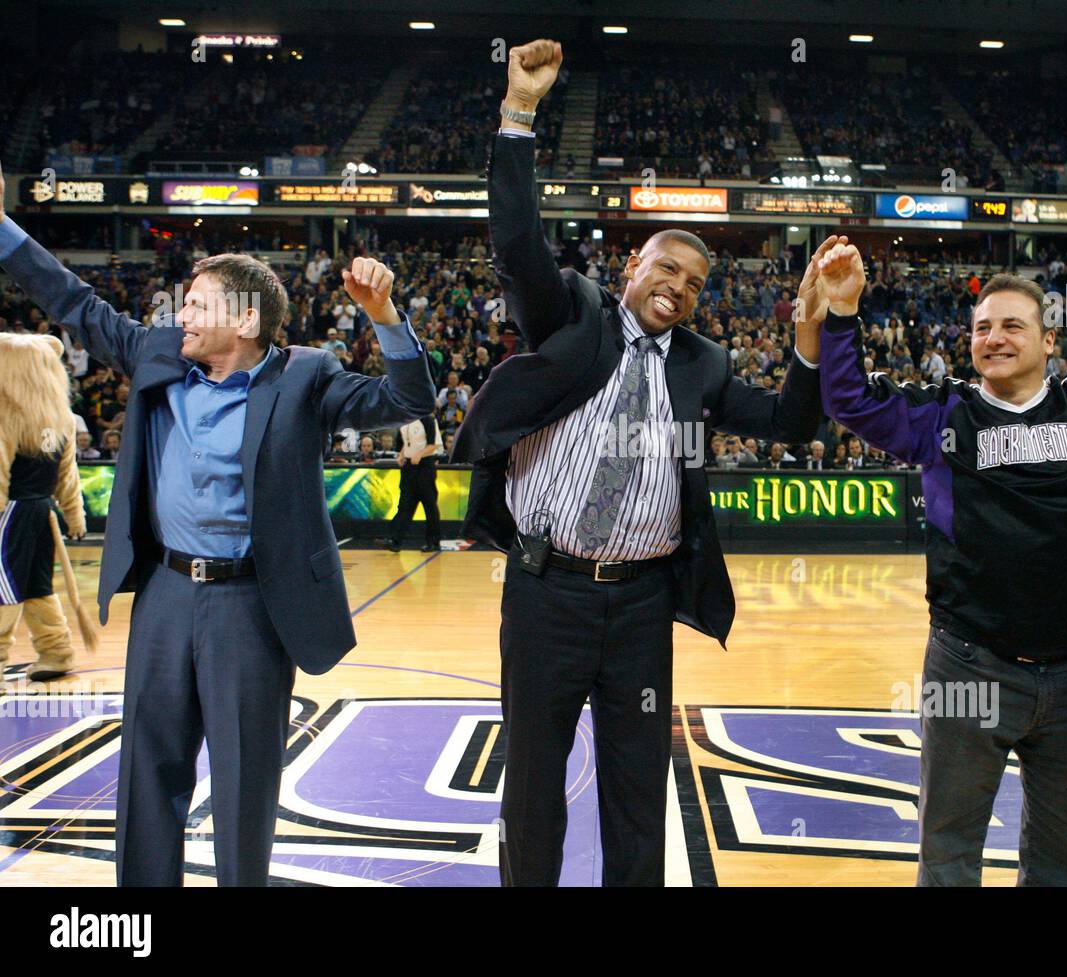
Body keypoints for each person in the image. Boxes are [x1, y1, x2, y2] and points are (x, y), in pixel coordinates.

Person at [451, 39, 823, 887]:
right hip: (547, 593)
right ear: (630, 265)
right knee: (535, 793)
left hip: (643, 604)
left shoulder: (703, 365)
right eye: (667, 267)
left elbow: (793, 423)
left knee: (636, 792)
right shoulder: (571, 313)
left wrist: (812, 332)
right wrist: (518, 114)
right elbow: (516, 241)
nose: (679, 288)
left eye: (695, 283)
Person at [0, 171, 436, 886]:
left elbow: (405, 397)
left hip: (251, 605)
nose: (181, 314)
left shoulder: (306, 377)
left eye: (197, 304)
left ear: (246, 321)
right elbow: (72, 302)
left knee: (244, 780)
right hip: (166, 593)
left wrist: (386, 317)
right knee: (148, 768)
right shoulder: (157, 356)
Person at [817, 189, 1067, 886]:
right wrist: (845, 311)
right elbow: (848, 399)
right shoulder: (942, 416)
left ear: (1047, 342)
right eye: (981, 328)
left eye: (1011, 325)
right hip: (969, 662)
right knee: (947, 854)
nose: (994, 338)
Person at [0, 334, 90, 681]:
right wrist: (74, 515)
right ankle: (56, 651)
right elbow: (68, 475)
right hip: (42, 510)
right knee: (37, 587)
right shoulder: (62, 417)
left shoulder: (7, 415)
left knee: (3, 589)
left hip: (10, 510)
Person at [387, 412, 443, 553]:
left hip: (425, 466)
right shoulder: (404, 420)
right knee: (405, 504)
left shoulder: (428, 419)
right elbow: (407, 443)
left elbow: (434, 444)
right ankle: (395, 541)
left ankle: (433, 542)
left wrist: (419, 454)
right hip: (409, 466)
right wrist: (401, 455)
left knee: (429, 504)